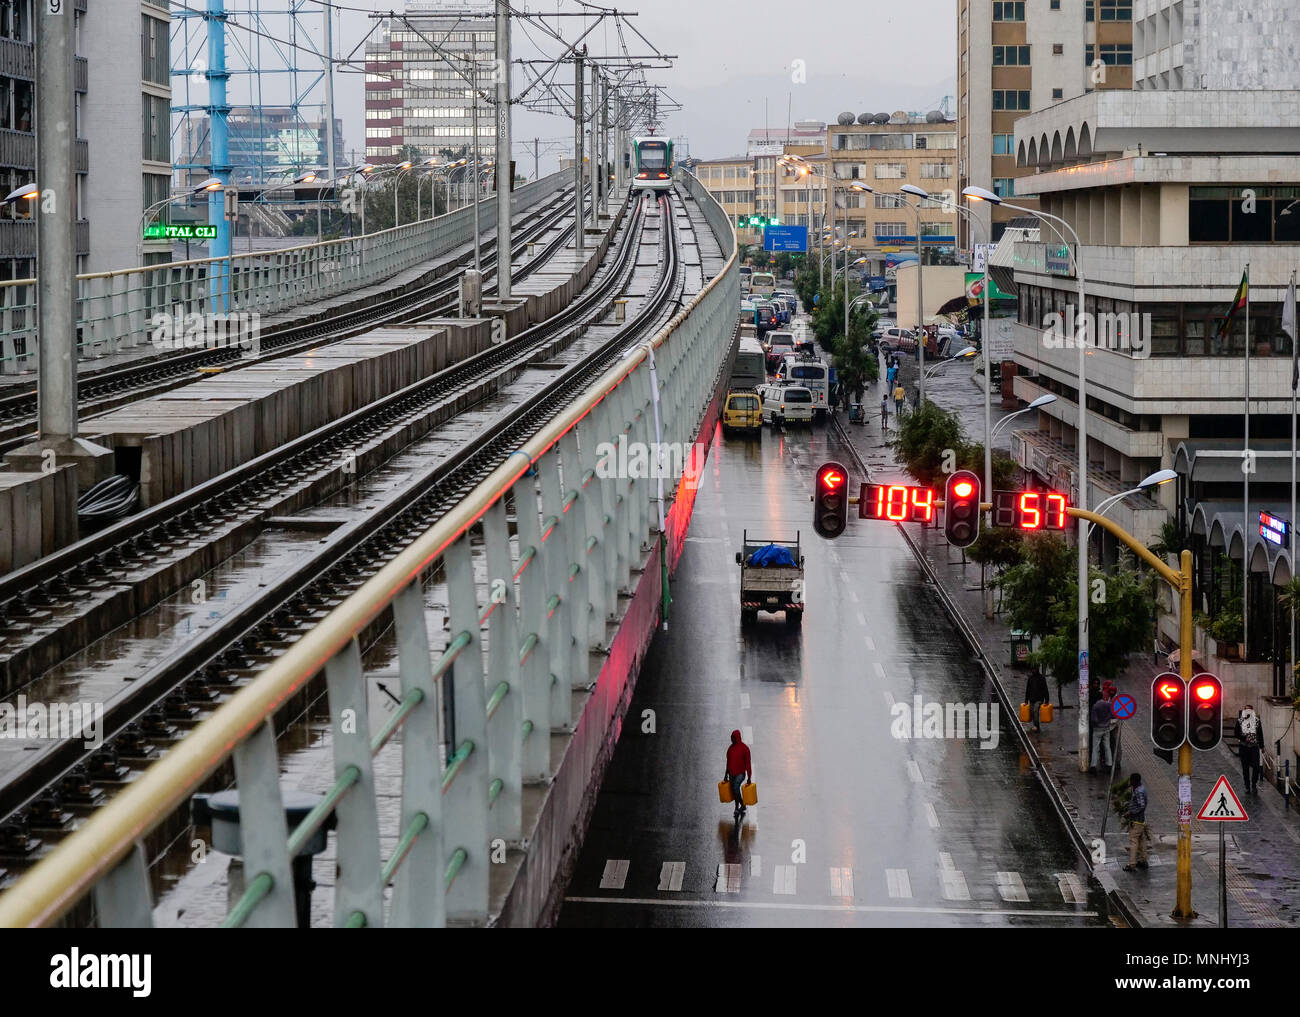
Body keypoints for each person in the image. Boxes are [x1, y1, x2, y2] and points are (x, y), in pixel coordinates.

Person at [1123, 772, 1150, 872]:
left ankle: (1132, 864)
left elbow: (1141, 805)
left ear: (1135, 781)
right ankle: (1143, 860)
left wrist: (1130, 813)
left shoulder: (1139, 791)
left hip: (1136, 821)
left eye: (1131, 780)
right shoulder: (1140, 789)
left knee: (1133, 841)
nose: (1130, 782)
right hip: (1141, 820)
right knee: (1142, 840)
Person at [1234, 704, 1263, 793]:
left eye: (1250, 710)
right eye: (1246, 710)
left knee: (1256, 767)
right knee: (1245, 768)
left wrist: (1262, 746)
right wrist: (1244, 738)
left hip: (1254, 747)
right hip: (1244, 747)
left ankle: (1254, 784)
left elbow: (1260, 734)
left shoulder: (1257, 721)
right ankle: (1247, 786)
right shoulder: (1240, 721)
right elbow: (1236, 733)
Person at [724, 729, 752, 819]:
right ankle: (741, 805)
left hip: (740, 773)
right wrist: (726, 774)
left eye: (733, 738)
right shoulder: (730, 749)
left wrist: (749, 777)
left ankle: (738, 807)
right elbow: (728, 762)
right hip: (732, 773)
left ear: (737, 738)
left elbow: (748, 763)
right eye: (731, 738)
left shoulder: (745, 749)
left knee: (736, 787)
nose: (731, 739)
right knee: (734, 790)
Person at [1089, 689, 1114, 773]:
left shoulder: (1095, 706)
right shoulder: (1108, 704)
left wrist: (1095, 724)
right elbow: (1113, 715)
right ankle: (1109, 764)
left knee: (1095, 747)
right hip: (1106, 728)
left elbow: (1094, 719)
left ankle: (1093, 765)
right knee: (1107, 746)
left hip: (1097, 729)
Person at [1024, 668, 1049, 734]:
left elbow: (1045, 689)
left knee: (1035, 710)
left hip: (1039, 699)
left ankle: (1036, 726)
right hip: (1032, 699)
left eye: (1035, 669)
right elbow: (1028, 690)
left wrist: (1046, 700)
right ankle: (1036, 725)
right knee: (1032, 712)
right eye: (1032, 669)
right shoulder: (1030, 678)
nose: (1033, 670)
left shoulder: (1042, 678)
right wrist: (1026, 700)